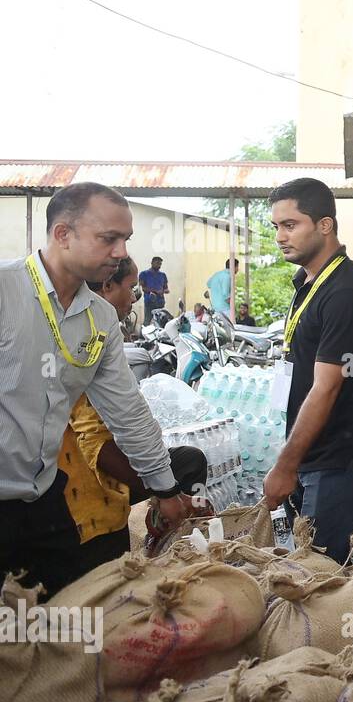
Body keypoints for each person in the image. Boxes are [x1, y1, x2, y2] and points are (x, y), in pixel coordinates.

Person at [0, 183, 197, 593]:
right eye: (109, 238)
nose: (121, 252)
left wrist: (165, 489)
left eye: (125, 239)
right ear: (62, 234)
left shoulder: (100, 317)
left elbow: (127, 411)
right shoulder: (6, 291)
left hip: (43, 496)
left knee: (65, 626)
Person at [262, 178, 353, 564]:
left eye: (290, 225)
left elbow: (327, 387)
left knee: (317, 573)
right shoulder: (310, 282)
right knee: (310, 567)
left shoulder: (346, 291)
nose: (281, 236)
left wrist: (285, 464)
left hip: (339, 457)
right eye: (276, 227)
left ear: (325, 225)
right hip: (317, 454)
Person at [59, 255, 209, 574]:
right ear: (107, 287)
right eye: (132, 289)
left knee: (189, 460)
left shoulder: (100, 330)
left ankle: (164, 538)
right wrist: (164, 491)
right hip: (85, 496)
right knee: (106, 592)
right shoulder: (87, 336)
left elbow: (129, 414)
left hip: (90, 486)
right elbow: (97, 443)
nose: (133, 298)